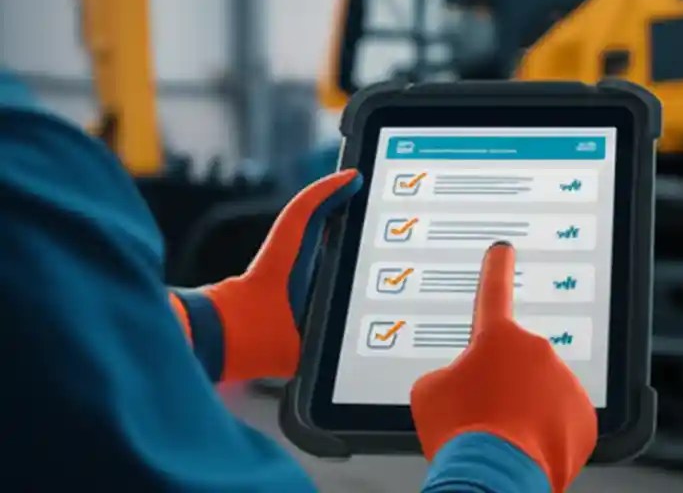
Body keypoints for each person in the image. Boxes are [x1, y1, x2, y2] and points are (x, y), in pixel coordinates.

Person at [0, 69, 595, 492]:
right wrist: (497, 464)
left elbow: (32, 345)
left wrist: (214, 324)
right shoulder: (23, 168)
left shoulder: (25, 168)